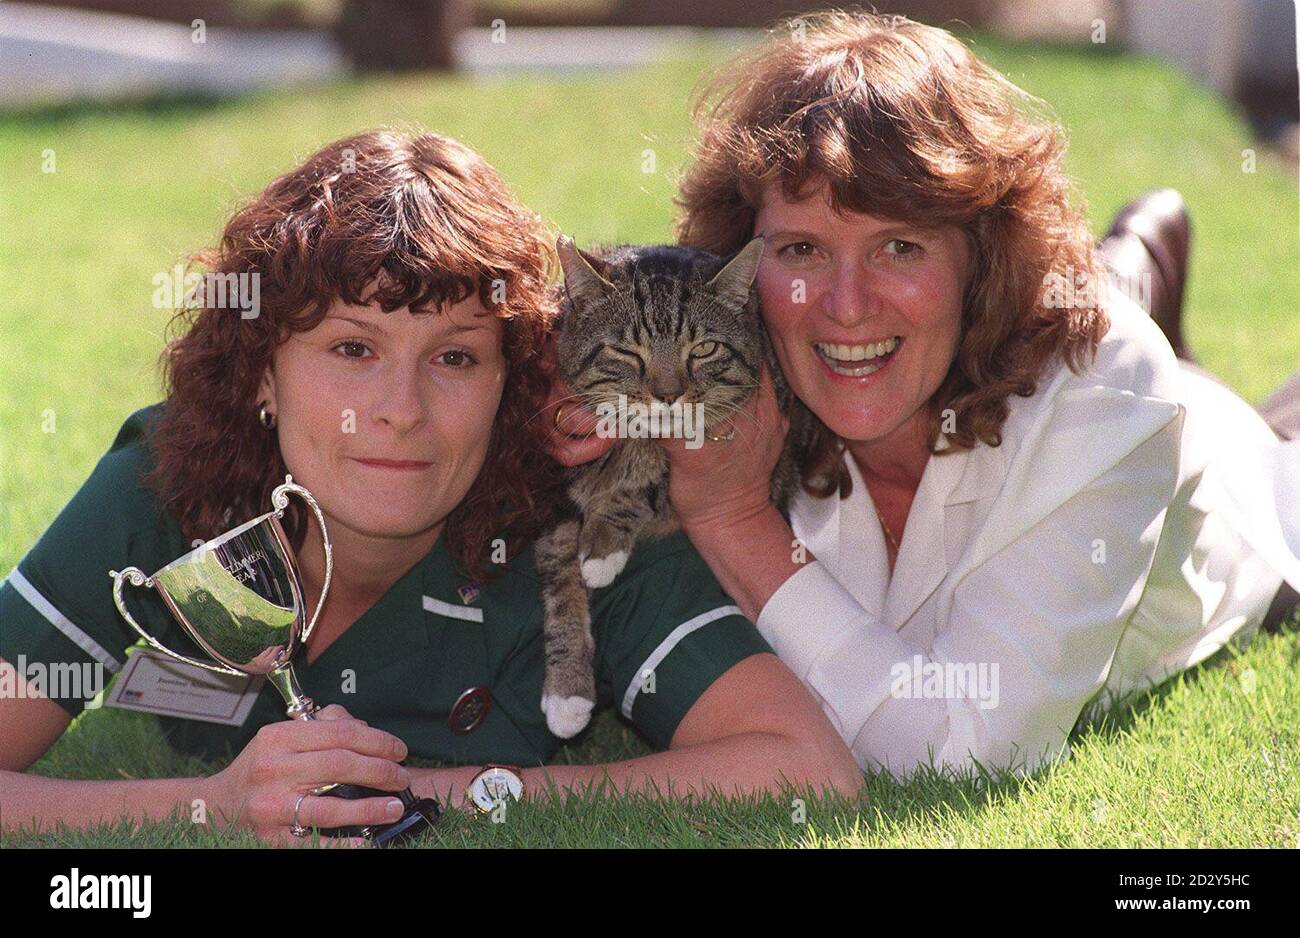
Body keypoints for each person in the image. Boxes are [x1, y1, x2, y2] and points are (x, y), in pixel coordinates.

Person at [0, 130, 863, 843]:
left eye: (454, 357)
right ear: (262, 372)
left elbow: (806, 767)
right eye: (352, 350)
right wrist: (210, 805)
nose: (401, 411)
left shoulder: (578, 523)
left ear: (514, 380)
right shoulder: (167, 488)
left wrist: (458, 791)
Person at [546, 11, 1300, 778]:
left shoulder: (1106, 386)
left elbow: (967, 752)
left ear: (981, 258)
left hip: (1250, 478)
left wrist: (733, 518)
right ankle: (1136, 256)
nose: (844, 304)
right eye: (802, 248)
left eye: (899, 246)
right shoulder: (733, 367)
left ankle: (1137, 270)